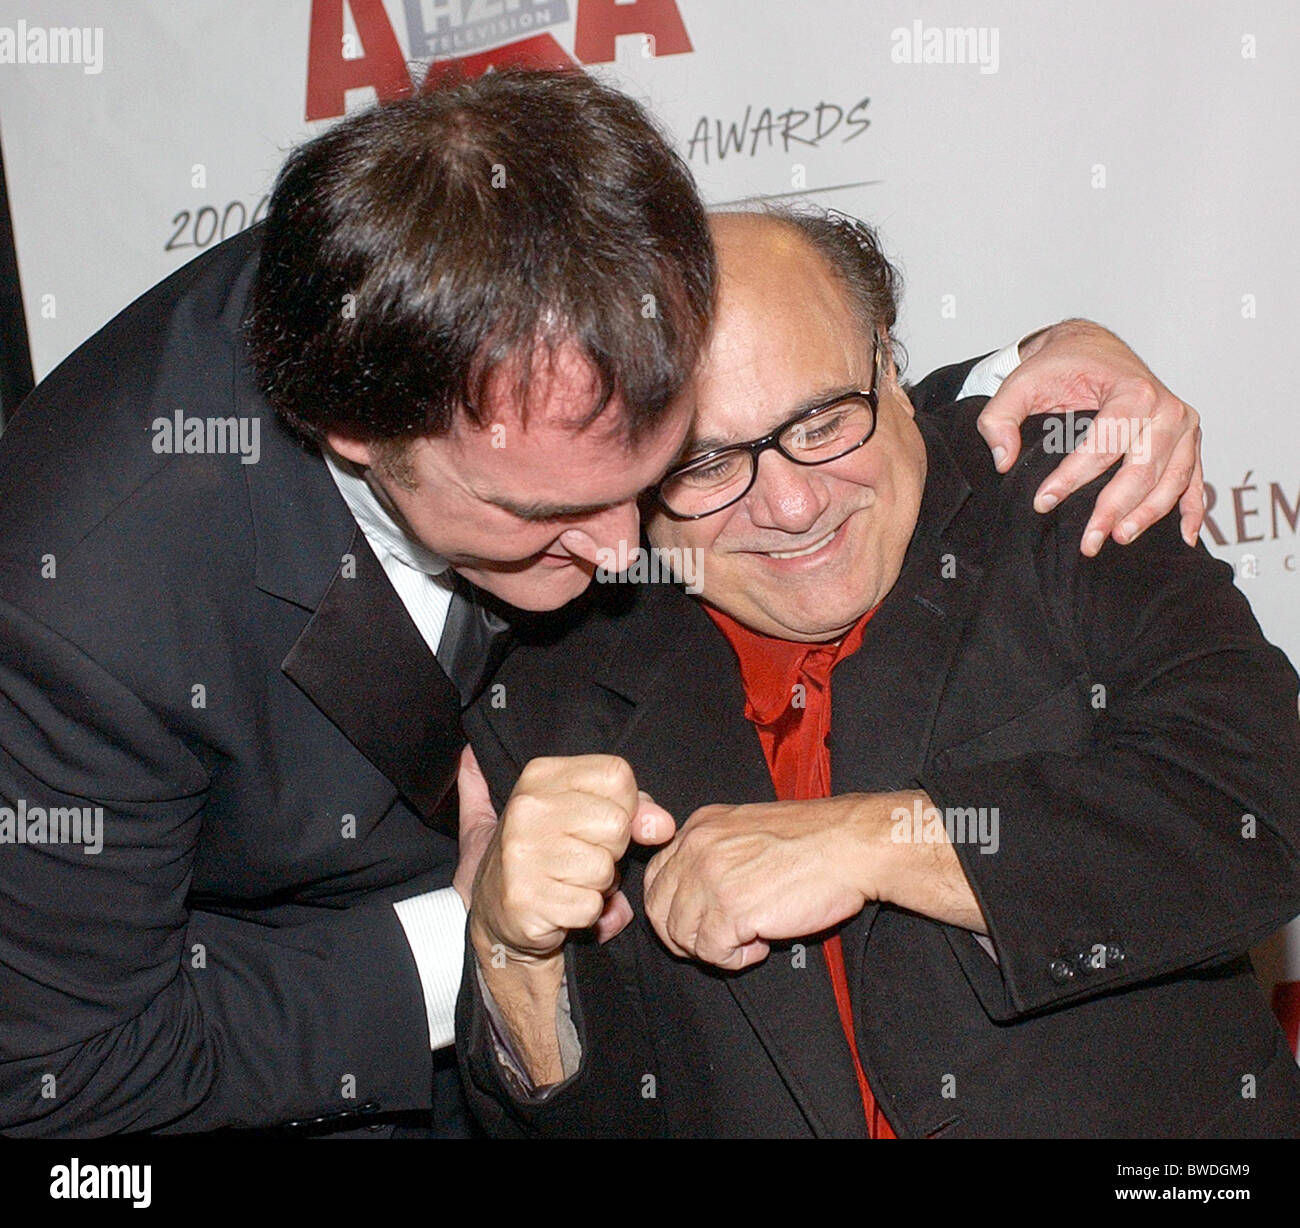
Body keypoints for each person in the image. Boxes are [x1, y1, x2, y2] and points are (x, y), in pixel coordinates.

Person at [0, 69, 1199, 1138]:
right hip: (294, 1038)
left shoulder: (493, 253)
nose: (626, 549)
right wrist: (476, 940)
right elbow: (65, 1069)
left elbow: (774, 409)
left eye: (649, 474)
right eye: (542, 518)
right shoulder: (77, 605)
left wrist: (1017, 385)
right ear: (357, 433)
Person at [457, 209, 1300, 1138]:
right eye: (704, 463)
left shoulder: (1067, 489)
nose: (789, 502)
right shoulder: (550, 684)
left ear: (891, 370)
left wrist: (880, 840)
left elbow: (1259, 801)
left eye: (821, 421)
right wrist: (509, 958)